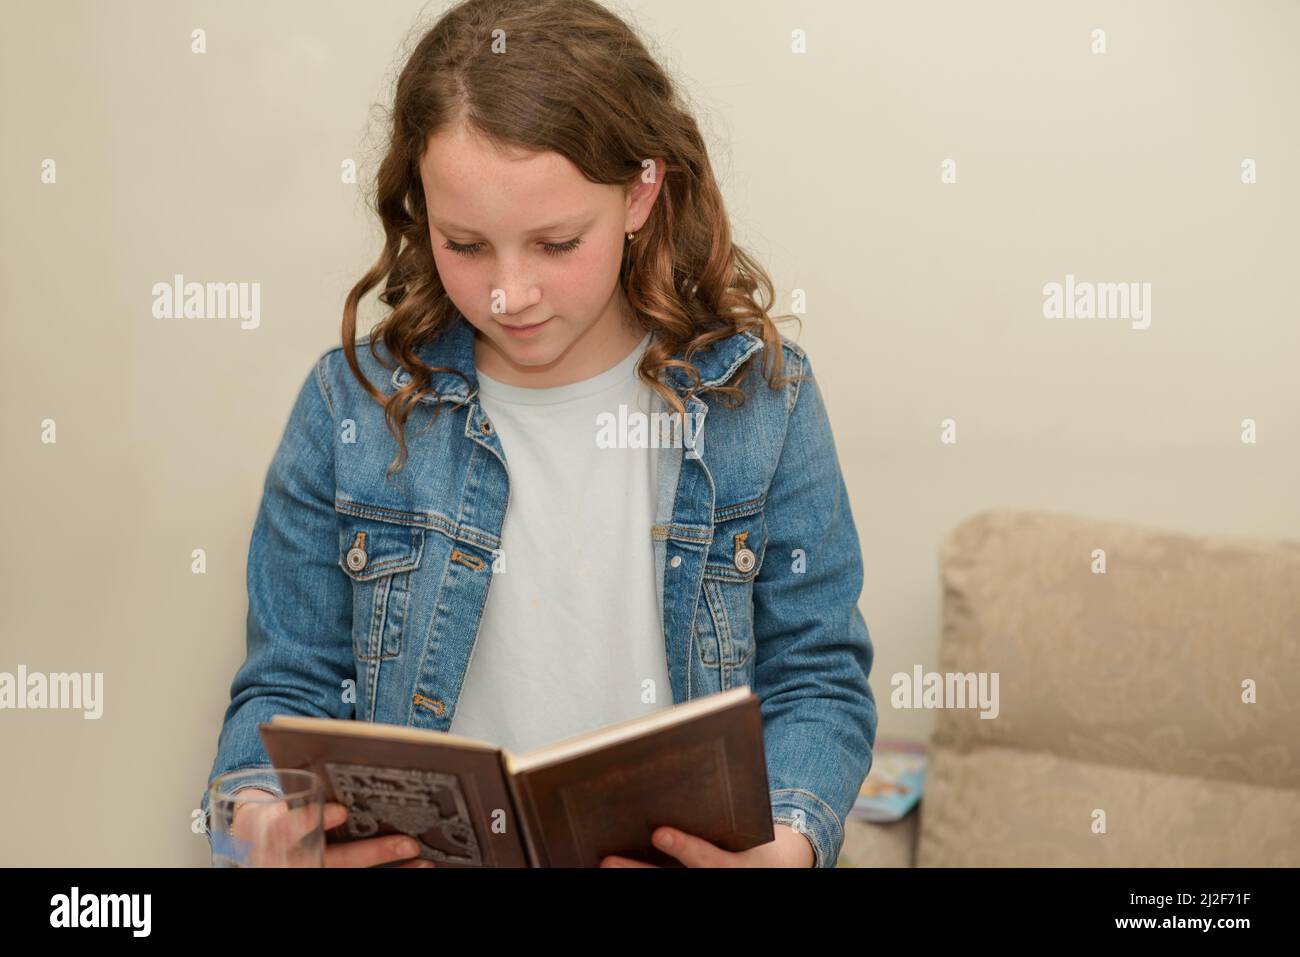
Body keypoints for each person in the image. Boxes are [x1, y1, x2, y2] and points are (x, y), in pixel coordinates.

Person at [201, 0, 877, 868]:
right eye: (465, 243)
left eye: (557, 243)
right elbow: (286, 687)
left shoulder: (761, 398)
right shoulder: (352, 406)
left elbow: (817, 678)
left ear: (640, 192)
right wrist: (258, 820)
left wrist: (787, 845)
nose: (506, 294)